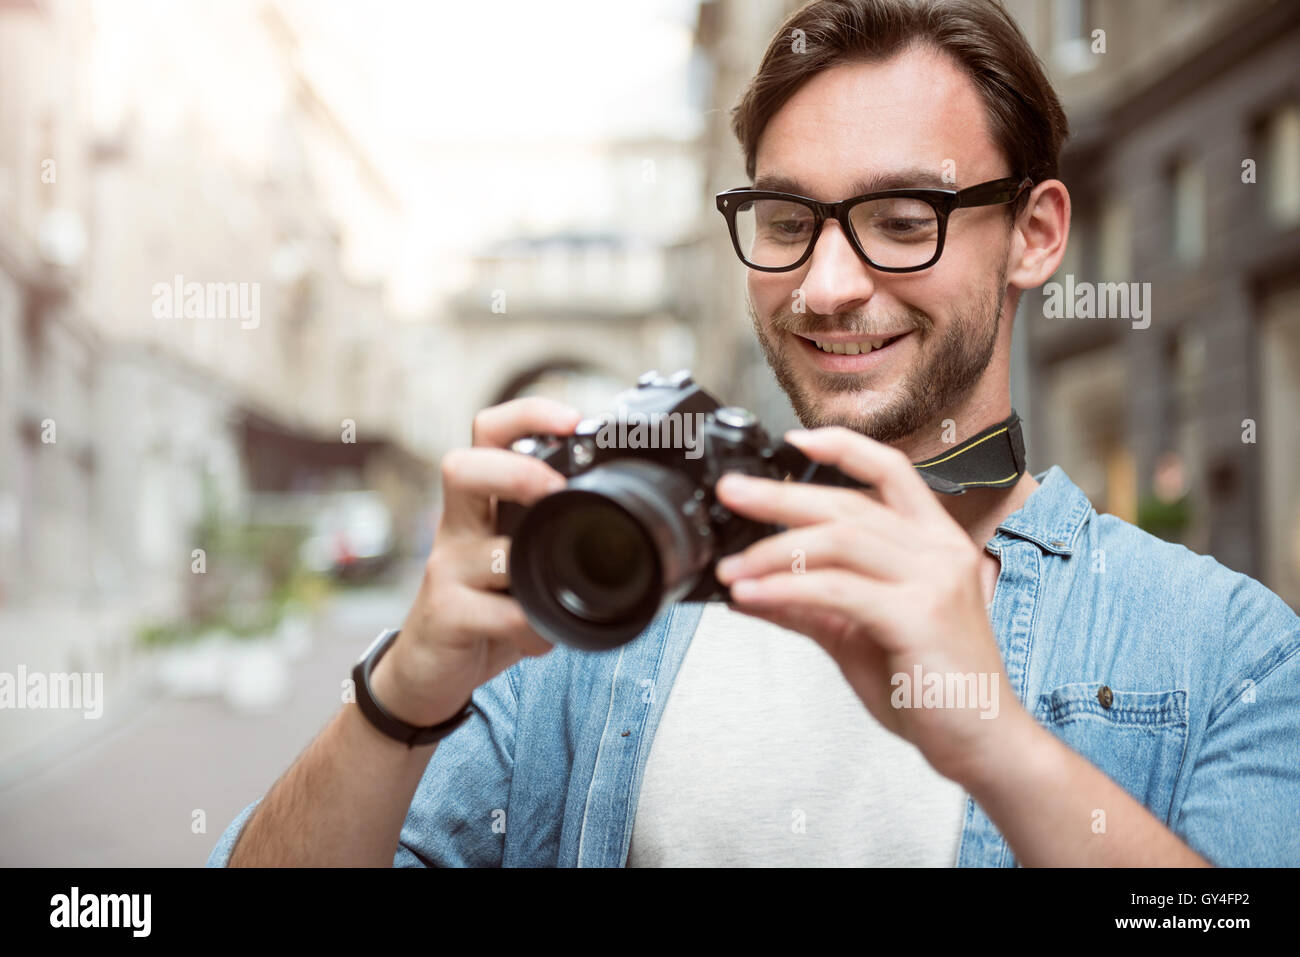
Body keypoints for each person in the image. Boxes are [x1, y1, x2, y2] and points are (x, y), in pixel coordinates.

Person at [209, 0, 1300, 867]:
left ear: (1035, 234)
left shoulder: (1222, 649)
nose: (825, 286)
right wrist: (406, 691)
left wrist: (993, 743)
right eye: (786, 224)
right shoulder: (592, 617)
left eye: (902, 222)